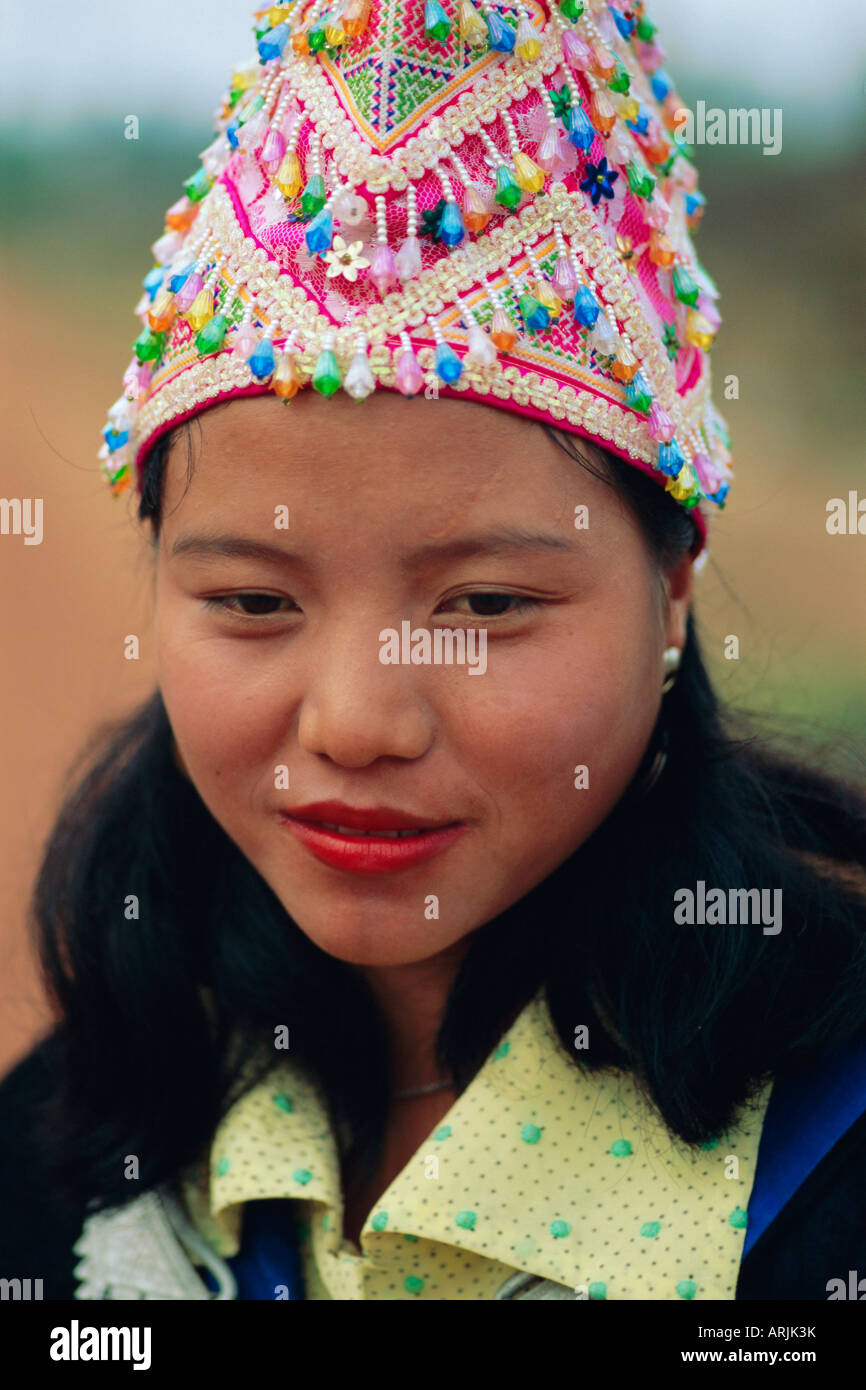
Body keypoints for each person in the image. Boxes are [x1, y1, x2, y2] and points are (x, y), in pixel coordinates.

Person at [1, 0, 865, 1302]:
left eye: (482, 605)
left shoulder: (828, 1164)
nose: (354, 721)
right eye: (252, 602)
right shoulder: (79, 1141)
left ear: (671, 586)